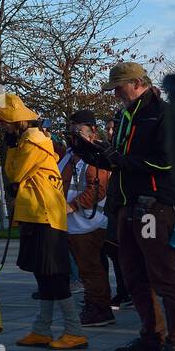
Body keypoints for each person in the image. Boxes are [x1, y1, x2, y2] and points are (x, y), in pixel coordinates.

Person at [70, 62, 175, 351]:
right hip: (126, 207)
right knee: (134, 277)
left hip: (153, 206)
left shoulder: (163, 114)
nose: (115, 95)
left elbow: (166, 163)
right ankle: (152, 337)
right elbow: (120, 162)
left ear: (138, 83)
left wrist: (119, 159)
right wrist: (91, 152)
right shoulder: (124, 116)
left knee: (164, 277)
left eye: (118, 88)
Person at [0, 94, 85, 350]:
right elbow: (12, 174)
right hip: (36, 213)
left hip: (44, 214)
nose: (3, 128)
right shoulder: (26, 139)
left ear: (16, 121)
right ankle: (42, 329)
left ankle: (74, 330)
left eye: (4, 123)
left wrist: (11, 150)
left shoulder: (32, 140)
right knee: (42, 275)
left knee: (53, 274)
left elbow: (15, 173)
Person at [60, 110, 114, 327]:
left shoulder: (95, 154)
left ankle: (100, 309)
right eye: (71, 130)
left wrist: (72, 205)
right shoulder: (70, 154)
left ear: (92, 132)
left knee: (91, 269)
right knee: (87, 269)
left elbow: (98, 189)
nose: (73, 135)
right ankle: (96, 303)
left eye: (77, 130)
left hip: (89, 223)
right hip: (76, 224)